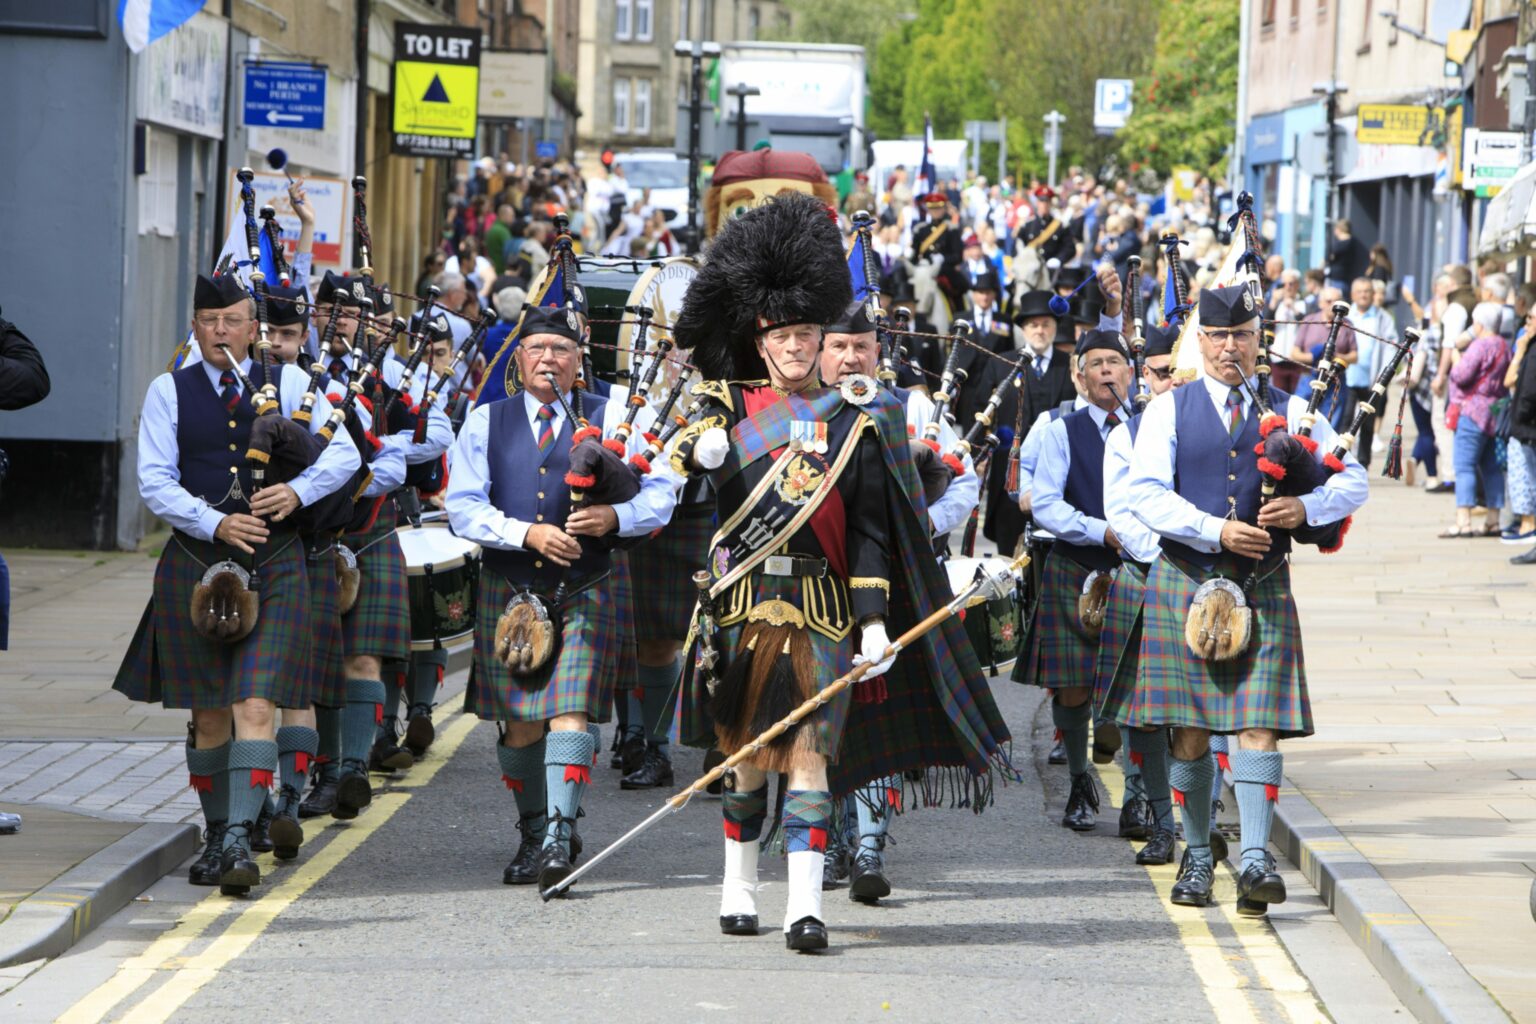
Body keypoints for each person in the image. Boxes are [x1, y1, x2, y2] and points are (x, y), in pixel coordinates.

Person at [668, 192, 1012, 952]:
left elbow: (867, 530)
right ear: (762, 343)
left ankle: (802, 907)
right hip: (745, 604)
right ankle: (737, 887)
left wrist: (877, 620)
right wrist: (704, 451)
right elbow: (683, 456)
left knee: (812, 758)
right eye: (783, 336)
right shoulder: (725, 405)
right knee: (750, 760)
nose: (795, 348)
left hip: (823, 607)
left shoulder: (851, 419)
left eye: (805, 335)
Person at [112, 273, 362, 893]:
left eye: (231, 320)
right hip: (197, 561)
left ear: (255, 328)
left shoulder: (293, 383)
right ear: (194, 325)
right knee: (209, 714)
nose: (219, 331)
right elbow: (154, 481)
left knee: (254, 705)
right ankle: (218, 824)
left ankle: (235, 842)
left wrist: (297, 490)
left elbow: (346, 454)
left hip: (276, 563)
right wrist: (216, 521)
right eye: (207, 320)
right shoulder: (170, 390)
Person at [1126, 283, 1368, 914]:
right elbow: (1144, 496)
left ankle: (1256, 859)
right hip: (1187, 578)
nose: (1229, 346)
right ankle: (1200, 856)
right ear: (1199, 340)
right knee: (1191, 733)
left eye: (1241, 335)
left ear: (1258, 339)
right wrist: (1215, 529)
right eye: (1217, 335)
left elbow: (1356, 480)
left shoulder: (1292, 411)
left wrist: (1306, 506)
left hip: (1261, 586)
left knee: (1259, 727)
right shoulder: (1166, 412)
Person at [447, 307, 677, 890]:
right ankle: (531, 831)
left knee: (570, 711)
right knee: (520, 724)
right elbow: (463, 507)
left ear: (580, 360)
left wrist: (614, 515)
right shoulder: (484, 422)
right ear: (518, 358)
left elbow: (663, 493)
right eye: (536, 348)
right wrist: (525, 532)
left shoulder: (620, 415)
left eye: (561, 349)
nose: (548, 359)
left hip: (588, 585)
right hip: (511, 587)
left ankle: (557, 832)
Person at [816, 300, 982, 897]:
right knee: (820, 716)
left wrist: (923, 522)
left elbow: (964, 479)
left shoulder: (905, 406)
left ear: (878, 352)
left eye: (861, 346)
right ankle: (826, 839)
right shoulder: (800, 408)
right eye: (839, 346)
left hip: (892, 580)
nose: (851, 356)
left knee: (875, 710)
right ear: (819, 349)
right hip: (814, 582)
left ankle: (868, 848)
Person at [1012, 329, 1134, 832]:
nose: (1106, 370)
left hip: (1137, 566)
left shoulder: (1151, 427)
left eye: (1115, 362)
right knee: (1072, 688)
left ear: (1131, 373)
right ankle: (1081, 782)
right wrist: (1100, 530)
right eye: (1096, 364)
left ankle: (1142, 796)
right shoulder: (1061, 429)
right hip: (1077, 562)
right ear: (1080, 378)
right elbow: (1044, 502)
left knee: (1137, 682)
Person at [1093, 321, 1184, 864]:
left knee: (1207, 710)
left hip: (1201, 577)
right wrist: (1189, 547)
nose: (1172, 381)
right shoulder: (1126, 436)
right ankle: (1159, 819)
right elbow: (1124, 518)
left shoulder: (1214, 425)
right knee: (1145, 712)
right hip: (1151, 573)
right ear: (1143, 375)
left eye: (1180, 370)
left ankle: (1199, 812)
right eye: (1162, 372)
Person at [1441, 302, 1511, 538]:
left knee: (1464, 466)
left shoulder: (1479, 346)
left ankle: (1464, 520)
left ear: (1479, 324)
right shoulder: (1504, 345)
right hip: (1495, 412)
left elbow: (1461, 376)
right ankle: (1493, 520)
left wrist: (1456, 357)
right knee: (1491, 467)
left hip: (1472, 412)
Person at [1341, 276, 1397, 465]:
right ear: (1353, 295)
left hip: (1372, 379)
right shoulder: (1346, 316)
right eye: (1360, 291)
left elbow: (1392, 346)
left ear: (1374, 295)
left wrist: (1385, 375)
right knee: (1346, 420)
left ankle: (1363, 463)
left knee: (1367, 423)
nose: (1364, 295)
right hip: (1348, 377)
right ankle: (1341, 459)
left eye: (1367, 291)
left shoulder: (1383, 318)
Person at [1324, 219, 1366, 289]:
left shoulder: (1345, 242)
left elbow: (1330, 257)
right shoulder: (1349, 242)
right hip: (1342, 276)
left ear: (1339, 229)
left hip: (1339, 277)